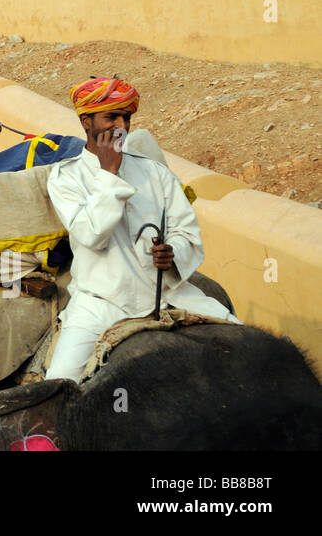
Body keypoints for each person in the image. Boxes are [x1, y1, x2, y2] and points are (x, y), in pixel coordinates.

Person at [44, 76, 239, 383]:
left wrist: (173, 253)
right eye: (111, 116)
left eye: (126, 117)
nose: (121, 125)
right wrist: (109, 172)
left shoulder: (154, 171)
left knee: (241, 341)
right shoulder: (66, 178)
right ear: (86, 122)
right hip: (101, 303)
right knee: (60, 382)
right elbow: (91, 235)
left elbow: (186, 231)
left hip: (168, 294)